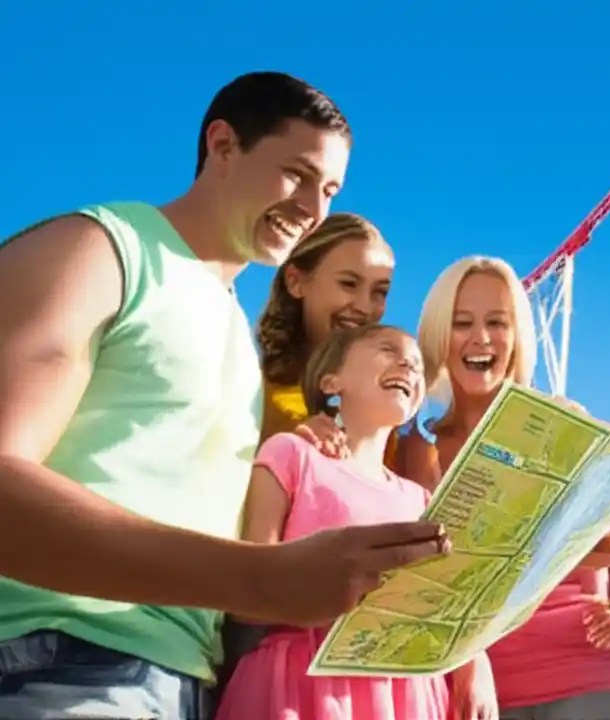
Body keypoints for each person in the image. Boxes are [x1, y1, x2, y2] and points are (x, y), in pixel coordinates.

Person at [0, 71, 446, 719]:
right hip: (62, 662)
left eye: (329, 190)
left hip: (191, 684)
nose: (312, 208)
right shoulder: (99, 249)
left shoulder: (239, 339)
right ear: (223, 145)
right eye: (297, 173)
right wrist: (264, 578)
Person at [400, 256, 610, 720]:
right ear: (437, 333)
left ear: (517, 336)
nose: (482, 338)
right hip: (482, 691)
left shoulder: (562, 417)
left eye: (498, 322)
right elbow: (427, 579)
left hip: (589, 671)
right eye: (461, 323)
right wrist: (471, 663)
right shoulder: (418, 448)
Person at [216, 324, 451, 720]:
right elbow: (248, 595)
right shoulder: (290, 453)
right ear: (331, 381)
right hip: (297, 683)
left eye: (416, 364)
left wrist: (474, 667)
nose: (408, 364)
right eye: (387, 349)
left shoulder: (422, 500)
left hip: (403, 694)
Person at [257, 211, 396, 457]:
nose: (364, 307)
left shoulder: (384, 406)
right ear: (295, 282)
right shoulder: (253, 395)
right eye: (349, 284)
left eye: (380, 292)